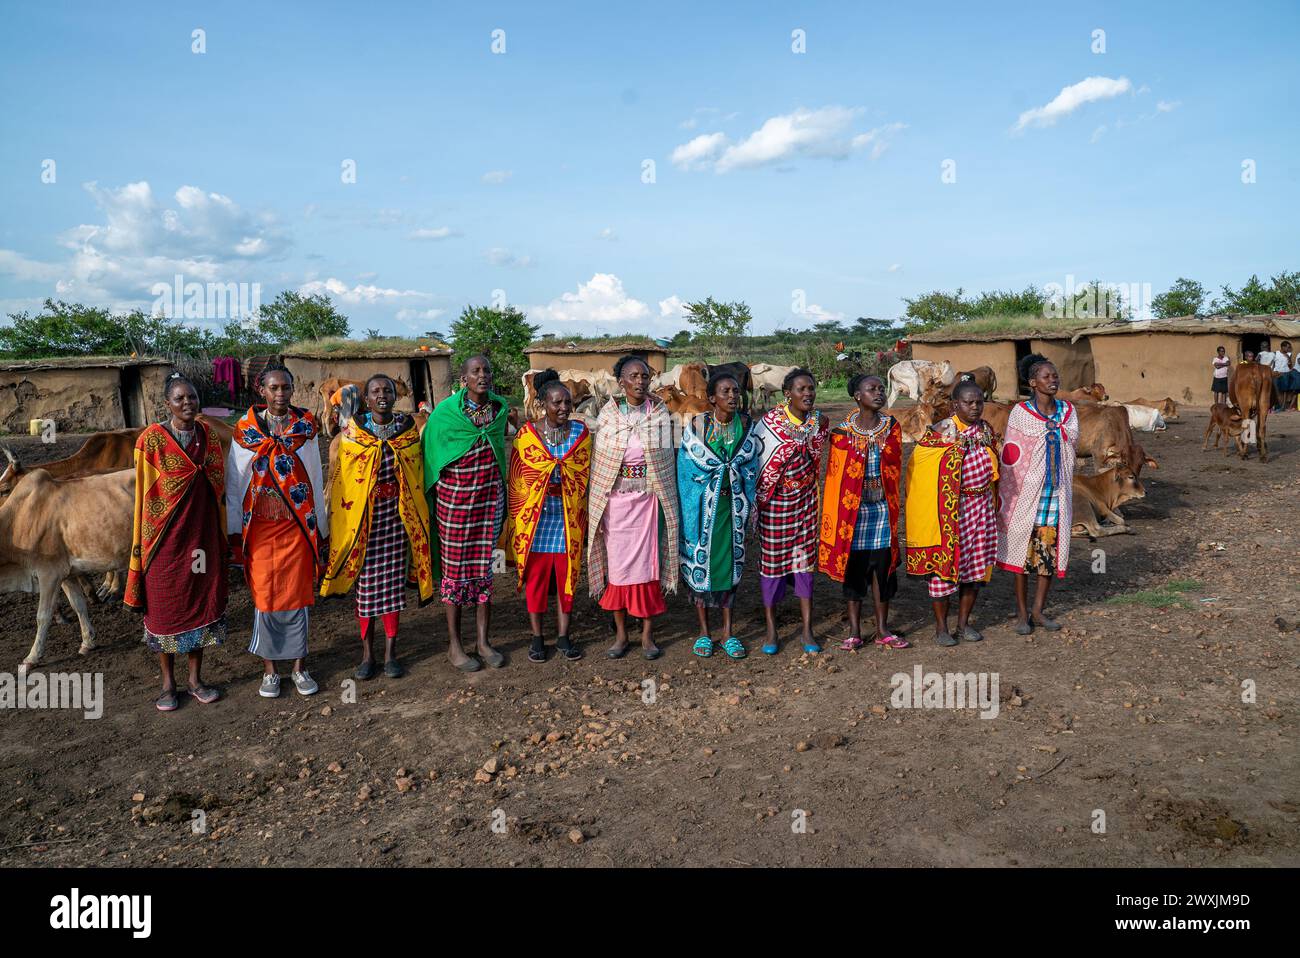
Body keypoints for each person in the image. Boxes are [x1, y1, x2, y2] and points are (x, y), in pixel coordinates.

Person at [125, 373, 228, 711]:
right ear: (167, 403)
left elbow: (218, 484)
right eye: (180, 398)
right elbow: (145, 491)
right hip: (163, 541)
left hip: (200, 538)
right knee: (164, 610)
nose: (188, 404)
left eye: (192, 398)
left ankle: (196, 680)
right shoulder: (151, 440)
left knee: (199, 602)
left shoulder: (208, 436)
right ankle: (168, 684)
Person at [321, 375, 435, 680]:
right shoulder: (352, 434)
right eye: (375, 391)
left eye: (386, 390)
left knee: (393, 590)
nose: (382, 395)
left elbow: (416, 471)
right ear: (366, 399)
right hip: (364, 523)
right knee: (366, 591)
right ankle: (368, 655)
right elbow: (343, 482)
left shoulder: (408, 432)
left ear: (394, 397)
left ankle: (390, 655)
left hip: (396, 521)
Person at [228, 364, 327, 697]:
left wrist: (321, 527)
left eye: (286, 387)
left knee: (297, 596)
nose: (281, 393)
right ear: (262, 390)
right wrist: (233, 531)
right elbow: (235, 481)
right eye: (274, 388)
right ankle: (270, 671)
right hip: (260, 529)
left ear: (292, 389)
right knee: (266, 596)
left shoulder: (305, 429)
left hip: (297, 525)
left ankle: (300, 667)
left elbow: (315, 478)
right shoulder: (245, 432)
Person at [588, 355, 680, 660]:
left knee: (647, 566)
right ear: (621, 382)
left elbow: (667, 461)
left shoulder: (660, 413)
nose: (640, 382)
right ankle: (621, 635)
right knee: (618, 568)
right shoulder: (608, 416)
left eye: (645, 376)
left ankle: (647, 637)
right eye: (634, 376)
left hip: (648, 502)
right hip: (615, 503)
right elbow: (600, 463)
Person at [422, 355, 510, 671]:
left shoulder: (500, 411)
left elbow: (500, 452)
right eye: (476, 371)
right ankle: (455, 646)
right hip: (454, 505)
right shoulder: (445, 415)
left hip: (489, 502)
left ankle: (483, 642)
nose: (482, 375)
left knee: (485, 571)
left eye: (487, 370)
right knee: (456, 573)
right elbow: (432, 457)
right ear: (464, 379)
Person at [905, 379, 1000, 646]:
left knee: (975, 569)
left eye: (979, 402)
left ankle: (964, 623)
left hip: (981, 508)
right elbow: (920, 467)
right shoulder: (940, 433)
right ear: (955, 404)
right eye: (968, 402)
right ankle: (941, 628)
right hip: (948, 512)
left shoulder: (986, 430)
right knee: (943, 571)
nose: (975, 407)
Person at [508, 369, 592, 663]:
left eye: (568, 403)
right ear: (544, 404)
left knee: (567, 577)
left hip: (569, 517)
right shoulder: (526, 436)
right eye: (557, 403)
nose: (564, 408)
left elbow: (584, 473)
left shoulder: (581, 434)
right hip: (536, 519)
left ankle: (564, 637)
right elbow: (518, 479)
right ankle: (536, 638)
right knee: (537, 580)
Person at [818, 373, 905, 650]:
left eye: (881, 388)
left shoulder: (891, 427)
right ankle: (854, 631)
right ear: (857, 395)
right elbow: (834, 476)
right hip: (851, 513)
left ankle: (882, 629)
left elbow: (895, 461)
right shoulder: (842, 434)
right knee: (855, 569)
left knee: (882, 568)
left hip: (881, 508)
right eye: (872, 389)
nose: (879, 393)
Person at [678, 371, 760, 659]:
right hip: (702, 509)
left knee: (731, 569)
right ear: (711, 398)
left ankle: (728, 632)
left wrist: (738, 481)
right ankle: (704, 632)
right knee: (700, 570)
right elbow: (687, 467)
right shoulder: (698, 427)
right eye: (725, 392)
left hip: (732, 508)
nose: (732, 397)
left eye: (736, 392)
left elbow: (753, 463)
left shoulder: (747, 425)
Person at [996, 354, 1078, 634]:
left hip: (1057, 493)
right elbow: (1012, 455)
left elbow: (1071, 439)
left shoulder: (1067, 411)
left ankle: (1038, 610)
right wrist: (1049, 432)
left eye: (1055, 376)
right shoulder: (1021, 414)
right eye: (1046, 376)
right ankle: (1021, 613)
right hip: (1026, 495)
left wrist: (1054, 430)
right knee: (1022, 552)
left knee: (1048, 551)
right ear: (1033, 382)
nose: (1053, 380)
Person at [753, 368, 829, 654]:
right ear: (788, 394)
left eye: (811, 388)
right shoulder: (770, 424)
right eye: (801, 389)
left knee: (804, 564)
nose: (808, 393)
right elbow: (760, 462)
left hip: (807, 502)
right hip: (776, 504)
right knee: (772, 566)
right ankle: (772, 630)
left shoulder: (819, 423)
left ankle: (807, 630)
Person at [1271, 340, 1298, 411]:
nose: (1288, 349)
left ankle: (1283, 407)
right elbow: (1272, 364)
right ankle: (1276, 405)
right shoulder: (1275, 353)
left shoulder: (1289, 354)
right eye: (1287, 347)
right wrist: (1272, 371)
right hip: (1276, 374)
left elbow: (1290, 366)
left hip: (1285, 373)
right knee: (1276, 390)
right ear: (1282, 347)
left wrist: (1288, 358)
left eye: (1289, 347)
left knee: (1284, 391)